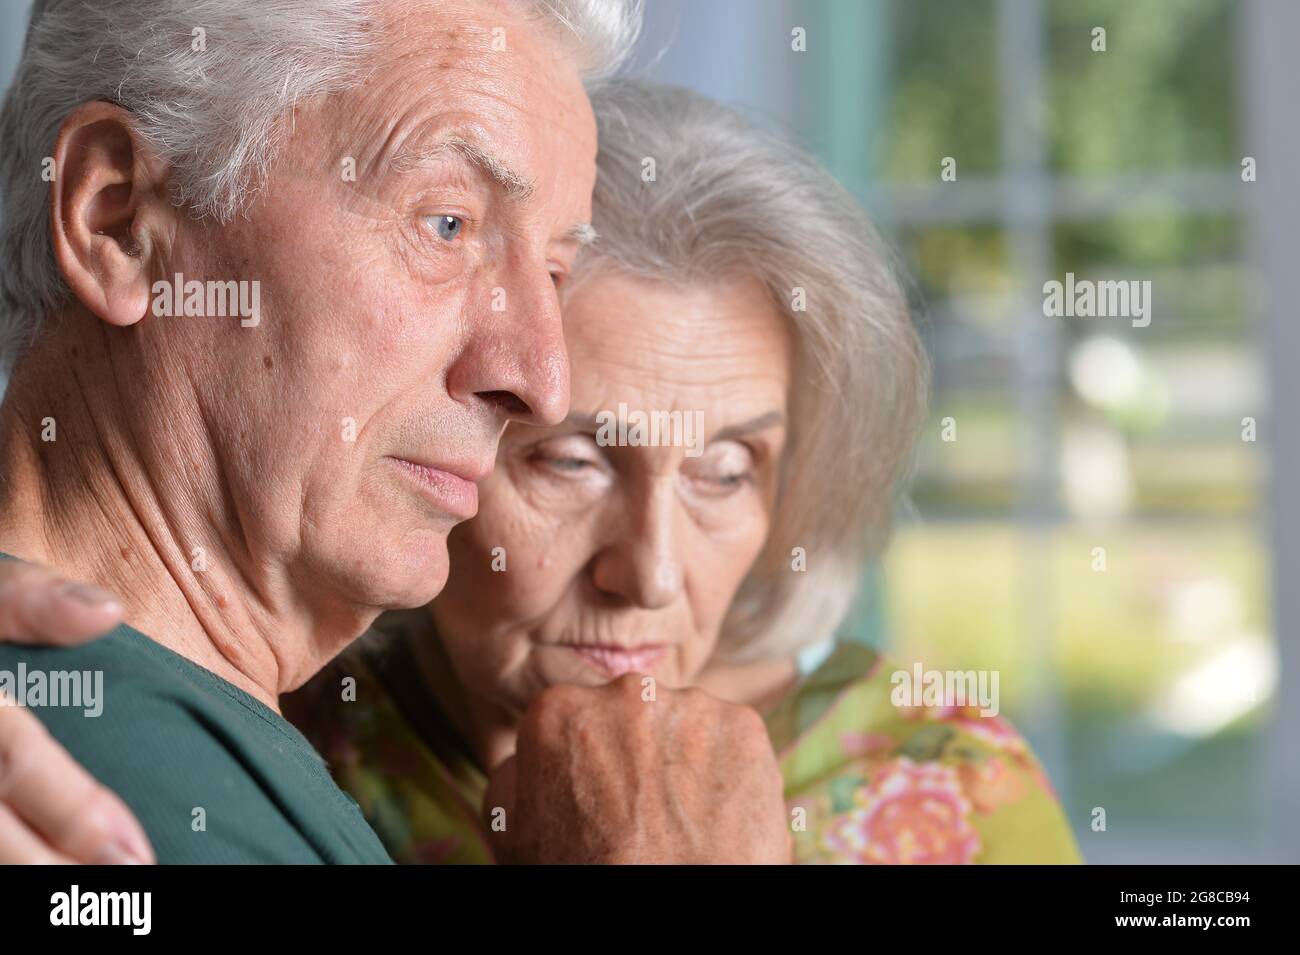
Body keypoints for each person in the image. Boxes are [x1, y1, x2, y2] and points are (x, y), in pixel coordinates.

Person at [0, 0, 796, 864]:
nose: (541, 378)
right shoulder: (85, 796)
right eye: (446, 224)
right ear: (116, 220)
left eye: (557, 271)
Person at [284, 80, 1082, 865]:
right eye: (570, 462)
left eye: (727, 472)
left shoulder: (955, 795)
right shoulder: (283, 733)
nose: (651, 573)